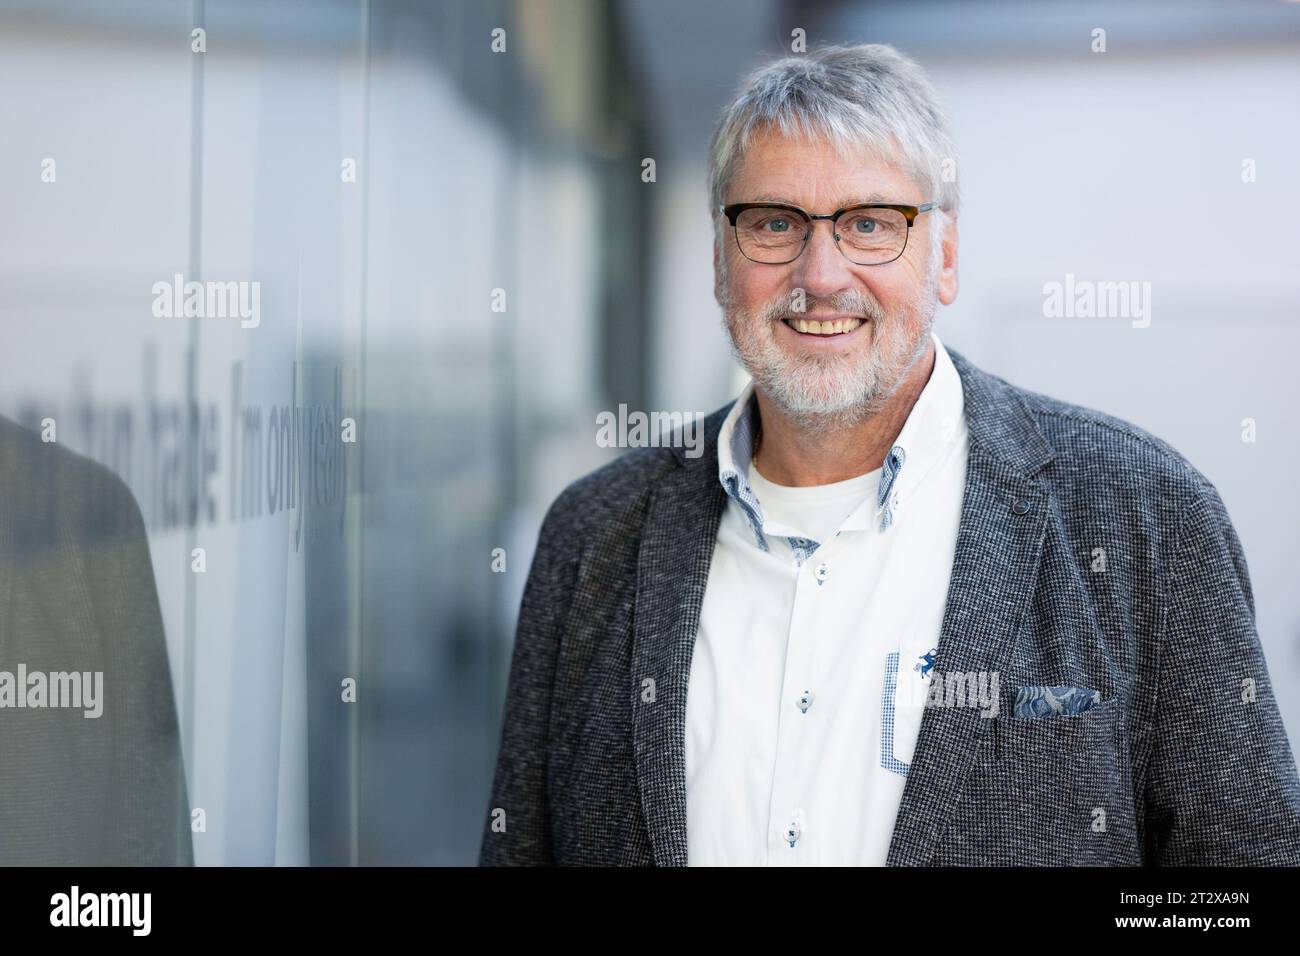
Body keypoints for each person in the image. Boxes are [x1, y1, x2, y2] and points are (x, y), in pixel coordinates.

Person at [480, 43, 1300, 866]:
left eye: (871, 224)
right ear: (722, 260)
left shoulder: (1145, 516)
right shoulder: (592, 535)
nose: (821, 274)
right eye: (773, 223)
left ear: (943, 256)